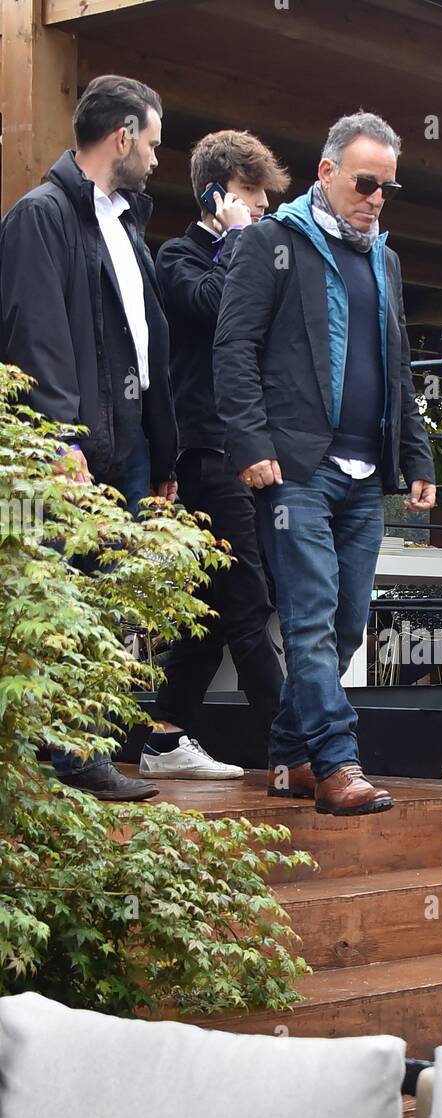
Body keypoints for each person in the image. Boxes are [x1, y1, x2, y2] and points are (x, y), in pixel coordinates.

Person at [214, 110, 436, 815]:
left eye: (388, 189)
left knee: (345, 624)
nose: (376, 197)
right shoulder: (273, 243)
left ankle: (286, 757)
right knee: (309, 618)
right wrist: (251, 445)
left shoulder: (386, 260)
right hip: (296, 470)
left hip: (367, 473)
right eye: (366, 182)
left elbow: (396, 366)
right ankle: (338, 763)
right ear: (328, 172)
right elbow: (234, 350)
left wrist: (417, 453)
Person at [0, 74, 178, 801]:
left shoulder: (126, 223)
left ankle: (86, 754)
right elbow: (32, 335)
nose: (159, 161)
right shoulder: (40, 215)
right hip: (65, 453)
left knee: (111, 605)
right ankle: (62, 761)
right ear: (124, 135)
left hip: (124, 444)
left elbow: (143, 346)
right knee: (54, 600)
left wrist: (162, 453)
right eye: (155, 143)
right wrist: (57, 440)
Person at [143, 130, 290, 780]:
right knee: (249, 601)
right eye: (253, 200)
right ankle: (300, 748)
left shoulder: (249, 257)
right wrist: (236, 240)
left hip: (245, 449)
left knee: (211, 612)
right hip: (206, 452)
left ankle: (164, 738)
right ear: (218, 193)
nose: (263, 211)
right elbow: (210, 306)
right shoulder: (177, 256)